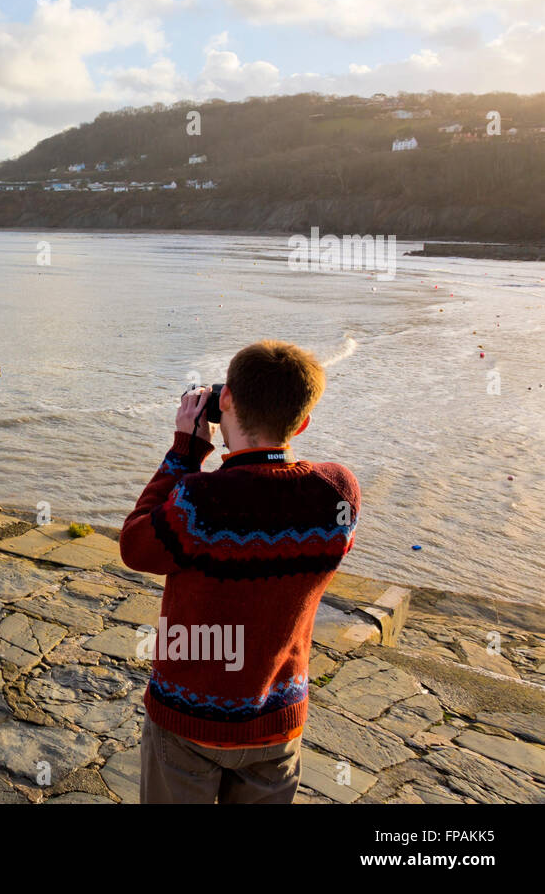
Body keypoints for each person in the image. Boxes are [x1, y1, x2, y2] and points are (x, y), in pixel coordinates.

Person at [119, 340, 360, 804]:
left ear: (224, 400)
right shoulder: (338, 491)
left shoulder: (199, 498)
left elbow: (135, 545)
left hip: (188, 715)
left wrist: (184, 452)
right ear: (303, 421)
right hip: (276, 716)